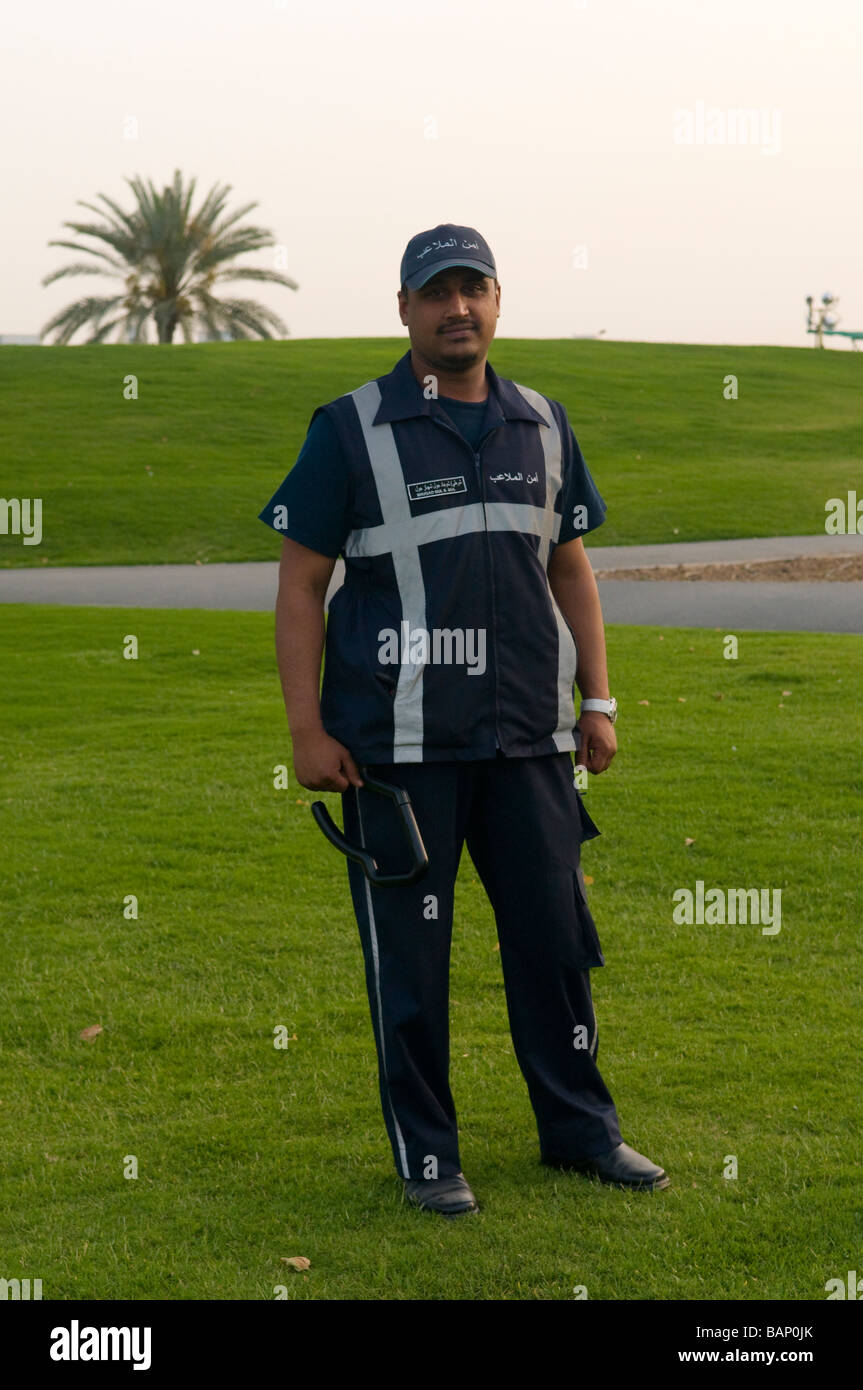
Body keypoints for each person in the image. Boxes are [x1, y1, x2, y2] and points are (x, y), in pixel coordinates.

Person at [258, 223, 669, 1217]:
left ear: (496, 300)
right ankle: (428, 1156)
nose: (456, 310)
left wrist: (597, 701)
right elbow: (300, 585)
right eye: (435, 293)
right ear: (402, 310)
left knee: (554, 945)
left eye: (471, 289)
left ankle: (580, 1132)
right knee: (411, 958)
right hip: (396, 750)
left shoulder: (541, 420)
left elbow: (568, 564)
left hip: (528, 739)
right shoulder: (349, 427)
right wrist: (307, 730)